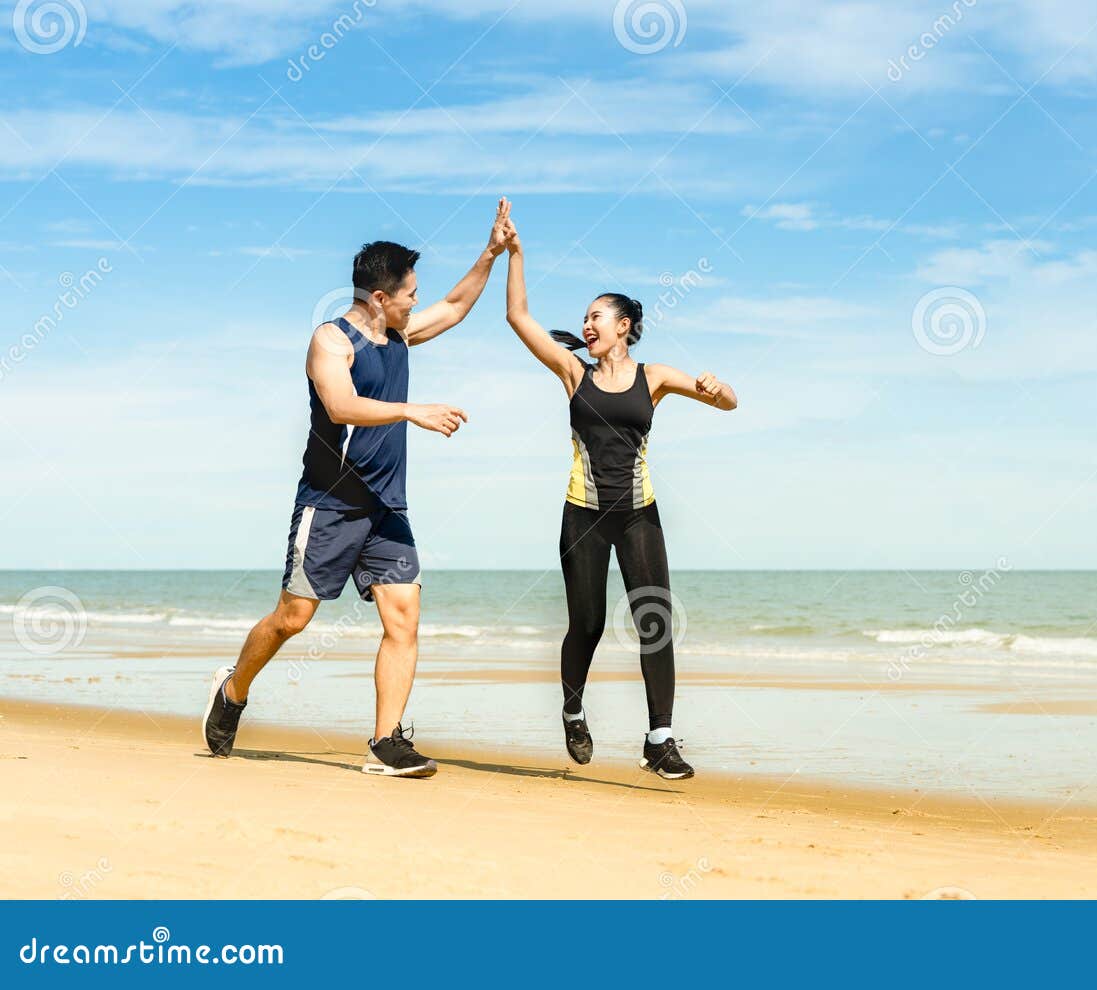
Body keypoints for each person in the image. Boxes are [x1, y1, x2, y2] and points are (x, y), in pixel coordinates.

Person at [202, 199, 516, 778]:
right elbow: (341, 404)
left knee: (404, 619)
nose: (416, 300)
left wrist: (492, 252)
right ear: (380, 297)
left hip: (386, 508)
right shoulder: (332, 341)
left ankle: (385, 741)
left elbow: (455, 305)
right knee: (293, 619)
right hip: (331, 505)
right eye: (408, 293)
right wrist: (413, 411)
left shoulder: (399, 334)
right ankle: (234, 689)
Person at [500, 205, 737, 780]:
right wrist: (515, 254)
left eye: (596, 317)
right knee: (587, 624)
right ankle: (573, 708)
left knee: (654, 619)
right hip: (581, 514)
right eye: (584, 318)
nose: (586, 325)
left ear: (623, 325)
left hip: (638, 516)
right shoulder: (572, 373)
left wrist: (716, 386)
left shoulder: (653, 377)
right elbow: (517, 316)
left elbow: (728, 402)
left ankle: (660, 738)